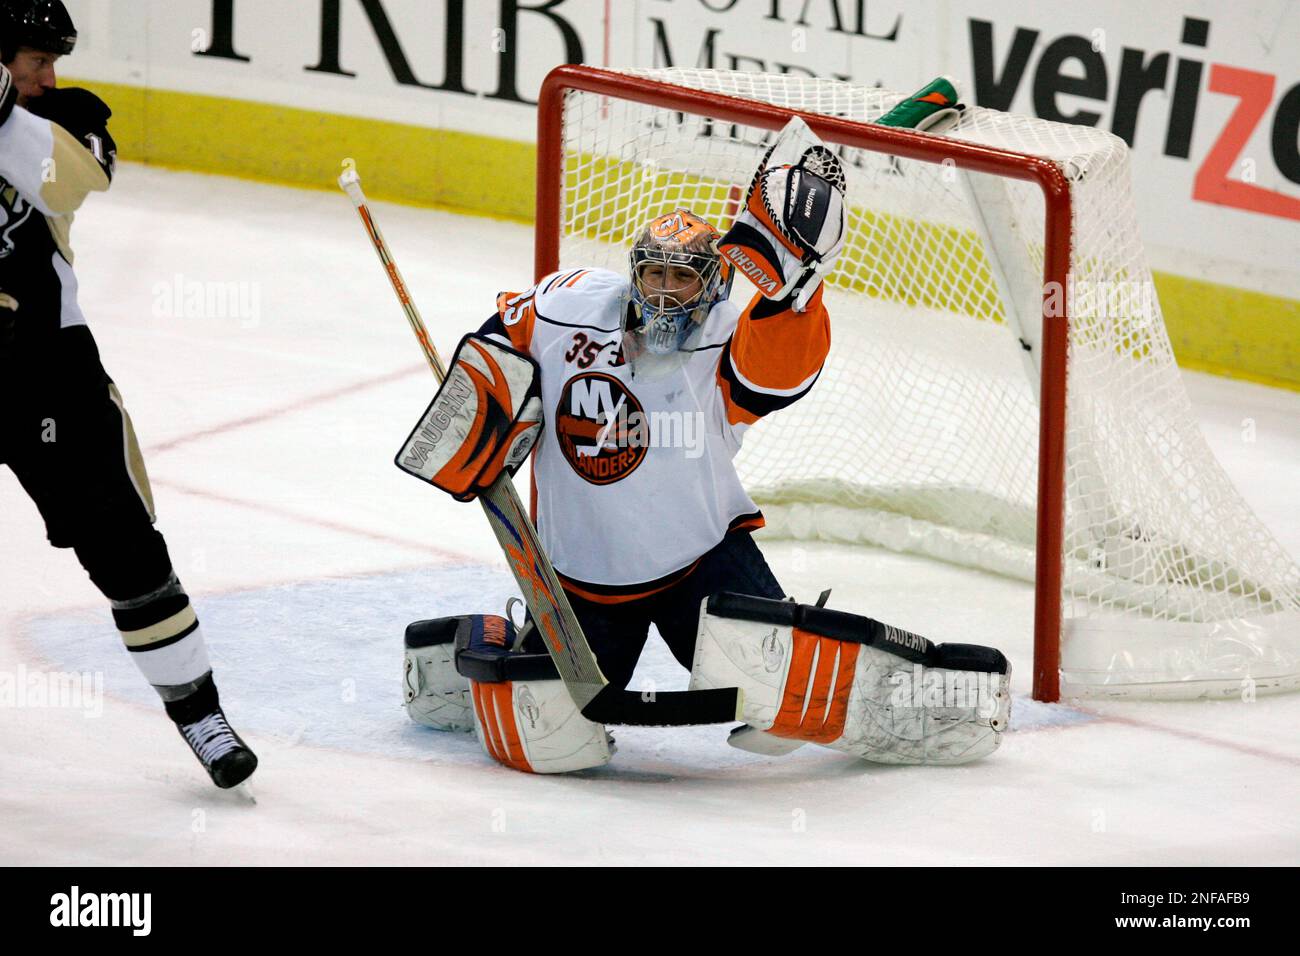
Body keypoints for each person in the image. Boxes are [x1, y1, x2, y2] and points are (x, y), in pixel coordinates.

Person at [0, 0, 256, 789]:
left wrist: (1, 105)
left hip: (45, 366)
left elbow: (73, 180)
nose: (50, 75)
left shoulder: (68, 115)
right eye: (33, 59)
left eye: (53, 59)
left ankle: (199, 714)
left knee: (122, 542)